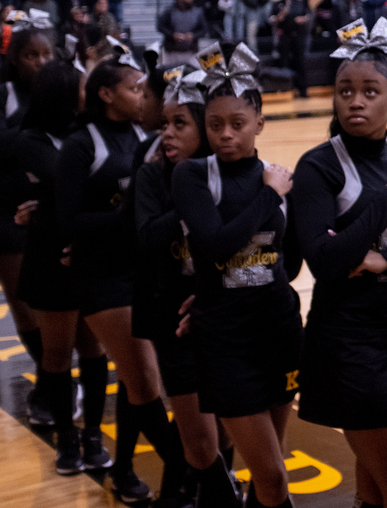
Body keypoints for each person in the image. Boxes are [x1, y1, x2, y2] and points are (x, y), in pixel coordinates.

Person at [289, 21, 387, 508]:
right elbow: (326, 261)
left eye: (369, 91)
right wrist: (386, 198)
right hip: (350, 345)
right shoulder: (317, 167)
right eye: (345, 91)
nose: (355, 100)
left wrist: (384, 260)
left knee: (375, 489)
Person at [173, 43, 302, 508]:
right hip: (225, 342)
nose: (225, 135)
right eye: (214, 125)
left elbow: (294, 261)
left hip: (279, 333)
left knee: (272, 471)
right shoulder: (191, 176)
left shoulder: (278, 176)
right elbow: (215, 245)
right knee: (270, 475)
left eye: (237, 124)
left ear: (260, 124)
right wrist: (269, 198)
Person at [57, 56, 188, 503]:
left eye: (144, 90)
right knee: (146, 383)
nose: (141, 97)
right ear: (106, 94)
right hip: (101, 273)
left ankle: (126, 468)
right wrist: (126, 220)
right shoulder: (83, 143)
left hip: (141, 271)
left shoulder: (147, 139)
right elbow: (69, 216)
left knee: (138, 384)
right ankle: (193, 473)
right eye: (137, 89)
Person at [130, 65, 237, 505]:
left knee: (226, 433)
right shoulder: (153, 175)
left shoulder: (232, 172)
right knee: (198, 441)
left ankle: (187, 493)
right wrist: (192, 206)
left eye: (180, 124)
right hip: (171, 317)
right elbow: (148, 236)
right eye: (165, 123)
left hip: (226, 315)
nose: (167, 133)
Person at [16, 60, 113, 475]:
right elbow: (68, 190)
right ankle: (65, 438)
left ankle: (92, 434)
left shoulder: (90, 135)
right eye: (81, 86)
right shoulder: (33, 140)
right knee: (57, 352)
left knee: (94, 349)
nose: (87, 92)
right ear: (63, 93)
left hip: (88, 253)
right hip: (50, 258)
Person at [0, 23, 55, 422]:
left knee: (55, 307)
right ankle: (51, 379)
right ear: (14, 58)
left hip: (53, 210)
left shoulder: (65, 93)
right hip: (7, 209)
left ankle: (52, 383)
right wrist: (42, 131)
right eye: (31, 55)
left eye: (47, 55)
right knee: (23, 307)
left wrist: (24, 141)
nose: (41, 63)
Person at [271, 0, 310, 97]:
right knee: (284, 62)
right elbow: (272, 20)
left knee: (299, 62)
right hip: (284, 36)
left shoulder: (298, 3)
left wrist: (302, 20)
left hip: (297, 35)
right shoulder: (278, 4)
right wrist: (281, 15)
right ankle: (286, 88)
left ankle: (302, 90)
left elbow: (306, 16)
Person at [157, 0, 208, 67]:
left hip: (190, 51)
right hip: (172, 52)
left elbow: (204, 30)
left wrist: (193, 35)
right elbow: (160, 26)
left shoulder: (198, 12)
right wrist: (173, 35)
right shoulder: (170, 11)